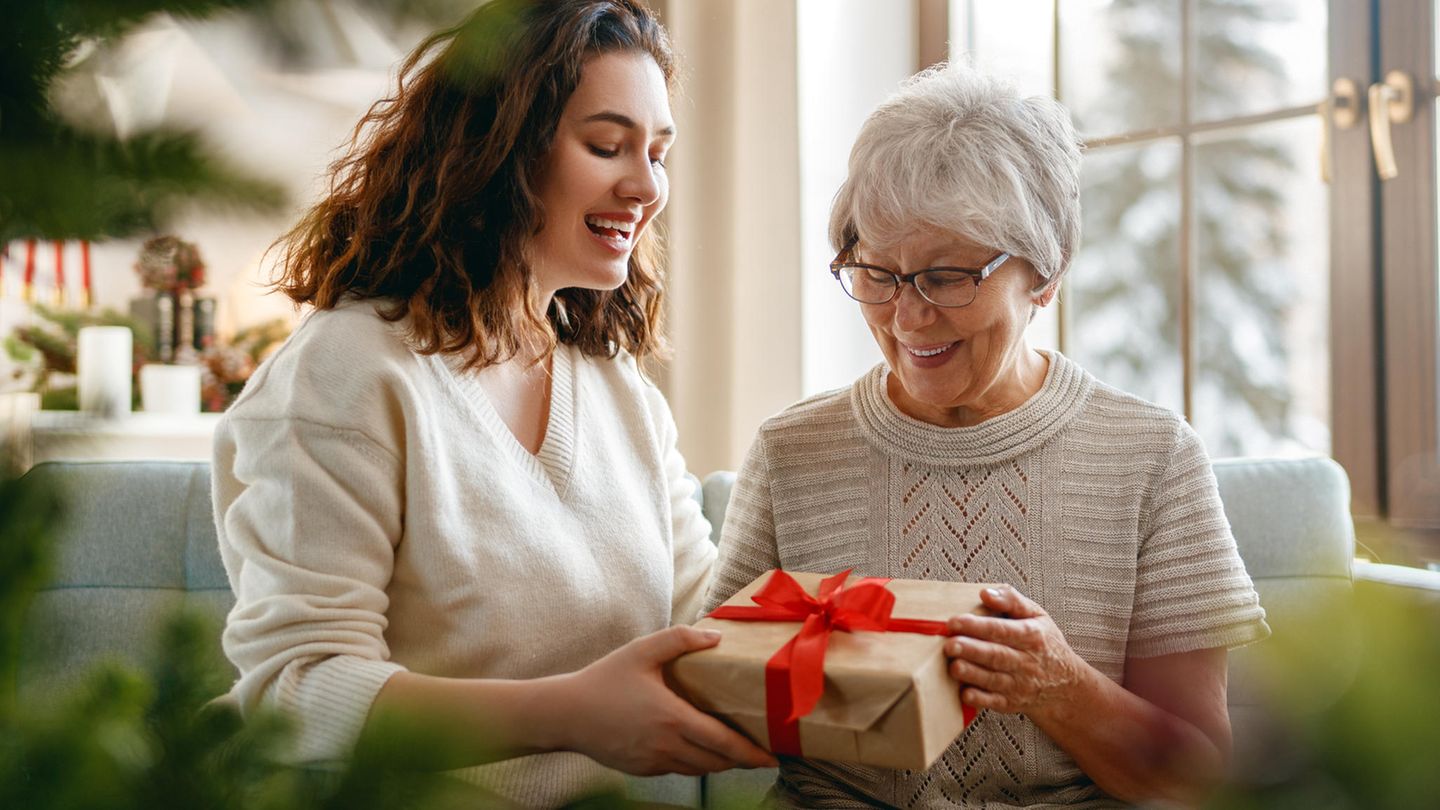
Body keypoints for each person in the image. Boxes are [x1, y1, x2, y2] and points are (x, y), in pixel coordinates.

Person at [212, 1, 774, 805]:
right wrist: (569, 716)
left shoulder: (618, 388)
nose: (647, 187)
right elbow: (296, 689)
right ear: (497, 150)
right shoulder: (349, 373)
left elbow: (702, 619)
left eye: (658, 153)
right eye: (606, 146)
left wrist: (893, 633)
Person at [705, 63, 1270, 809]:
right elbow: (714, 704)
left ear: (1046, 273)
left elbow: (1198, 781)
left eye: (945, 277)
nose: (908, 318)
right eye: (878, 273)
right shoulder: (791, 452)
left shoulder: (1152, 459)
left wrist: (1059, 687)